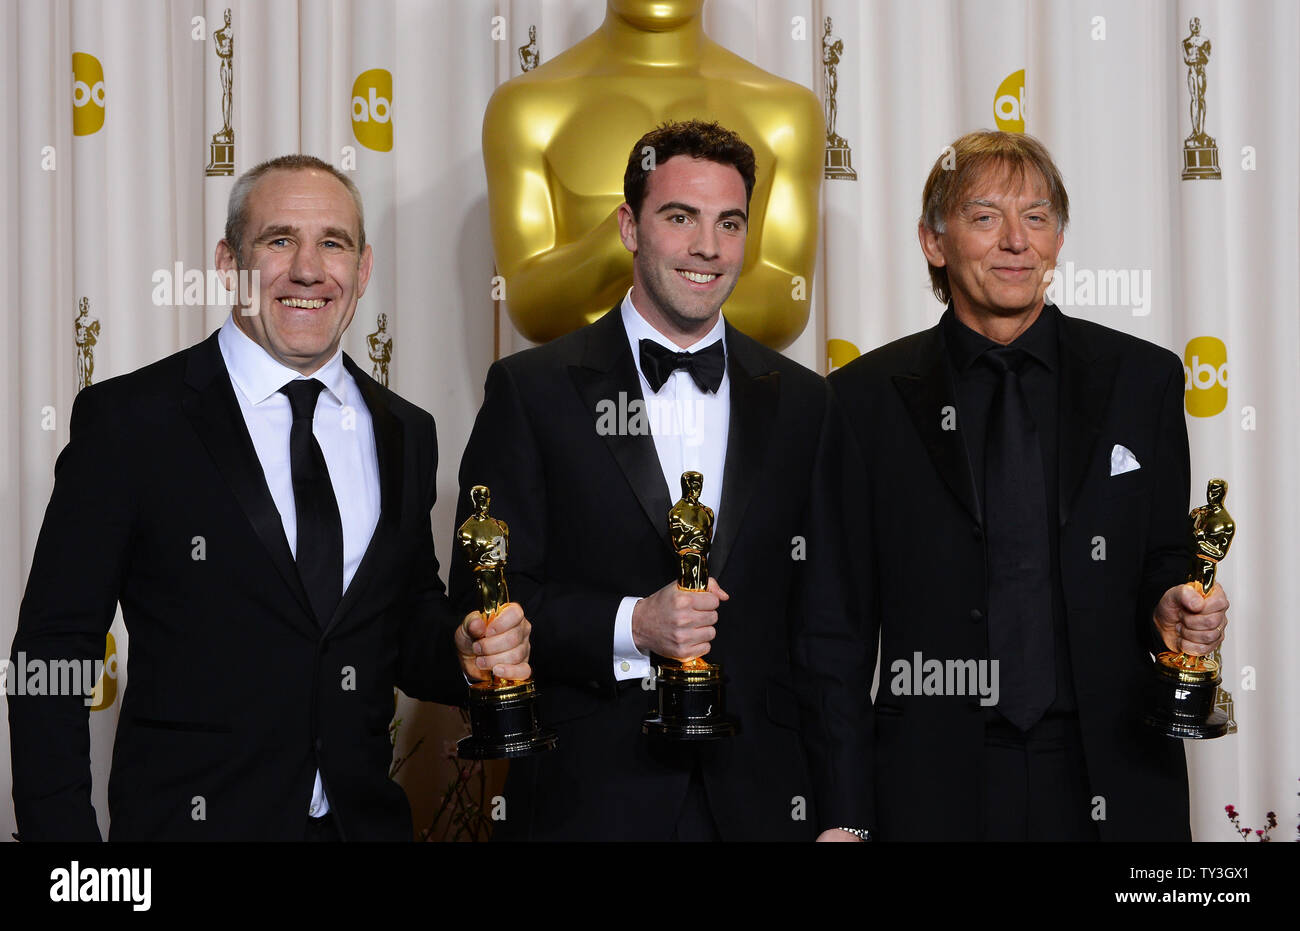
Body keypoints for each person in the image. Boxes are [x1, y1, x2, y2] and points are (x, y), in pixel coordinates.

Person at [8, 154, 531, 841]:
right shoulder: (133, 421)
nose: (308, 269)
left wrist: (461, 646)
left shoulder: (406, 430)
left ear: (363, 268)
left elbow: (398, 624)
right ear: (229, 264)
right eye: (279, 240)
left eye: (333, 243)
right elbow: (52, 649)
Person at [452, 120, 872, 842]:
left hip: (765, 803)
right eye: (680, 217)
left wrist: (846, 818)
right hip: (589, 804)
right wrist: (631, 624)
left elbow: (830, 632)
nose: (707, 246)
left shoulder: (806, 404)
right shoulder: (533, 391)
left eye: (729, 223)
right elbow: (485, 603)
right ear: (629, 227)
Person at [829, 130, 1229, 841]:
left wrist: (1173, 601)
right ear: (934, 241)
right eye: (985, 217)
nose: (1016, 241)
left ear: (1058, 238)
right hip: (931, 781)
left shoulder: (1145, 380)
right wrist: (843, 816)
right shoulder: (862, 400)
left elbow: (1164, 554)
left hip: (1112, 773)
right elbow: (837, 628)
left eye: (1037, 217)